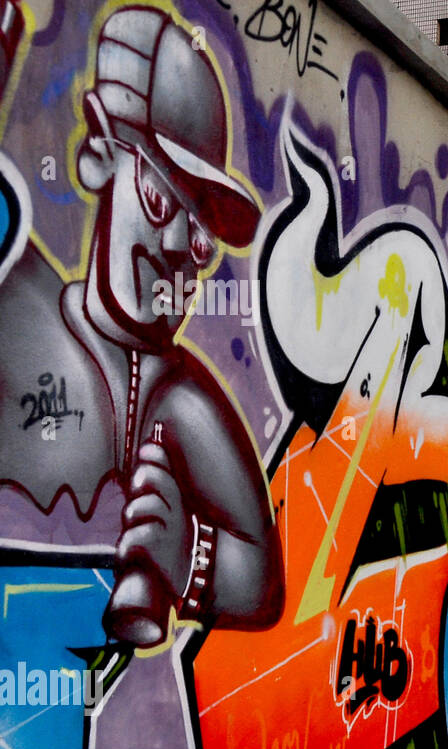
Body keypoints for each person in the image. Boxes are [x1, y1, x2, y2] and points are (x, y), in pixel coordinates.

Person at [0, 4, 283, 644]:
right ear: (99, 151)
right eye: (162, 199)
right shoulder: (21, 310)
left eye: (204, 233)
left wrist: (190, 557)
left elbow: (264, 576)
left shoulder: (176, 400)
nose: (183, 243)